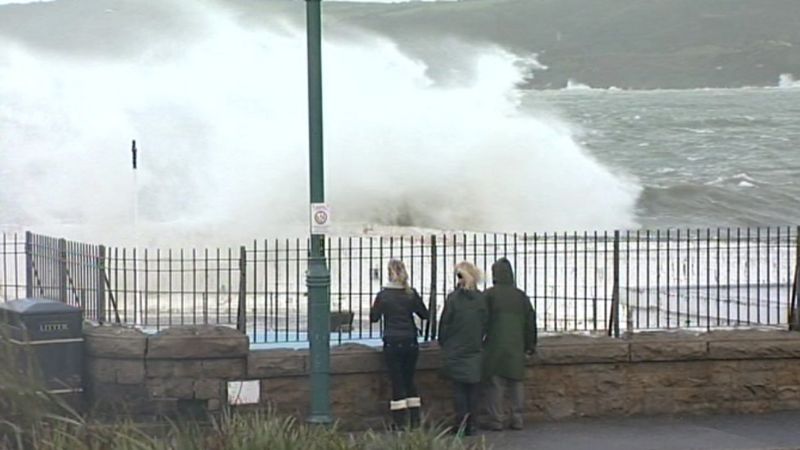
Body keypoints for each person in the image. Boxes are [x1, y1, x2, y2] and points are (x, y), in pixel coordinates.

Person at [370, 259, 430, 430]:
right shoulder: (411, 293)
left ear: (389, 274)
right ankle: (415, 420)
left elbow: (374, 318)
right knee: (409, 379)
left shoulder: (383, 295)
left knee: (397, 381)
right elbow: (424, 314)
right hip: (410, 341)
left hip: (392, 341)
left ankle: (400, 422)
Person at [483, 257, 537, 431]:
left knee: (495, 384)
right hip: (516, 346)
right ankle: (517, 418)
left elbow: (481, 321)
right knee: (516, 383)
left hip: (494, 345)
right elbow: (531, 323)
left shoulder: (489, 295)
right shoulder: (521, 296)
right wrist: (530, 346)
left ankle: (496, 420)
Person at [438, 261, 488, 436]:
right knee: (473, 389)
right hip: (474, 348)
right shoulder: (481, 299)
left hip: (456, 349)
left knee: (459, 389)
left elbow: (444, 324)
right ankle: (472, 424)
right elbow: (486, 324)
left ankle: (461, 424)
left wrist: (444, 342)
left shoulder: (453, 299)